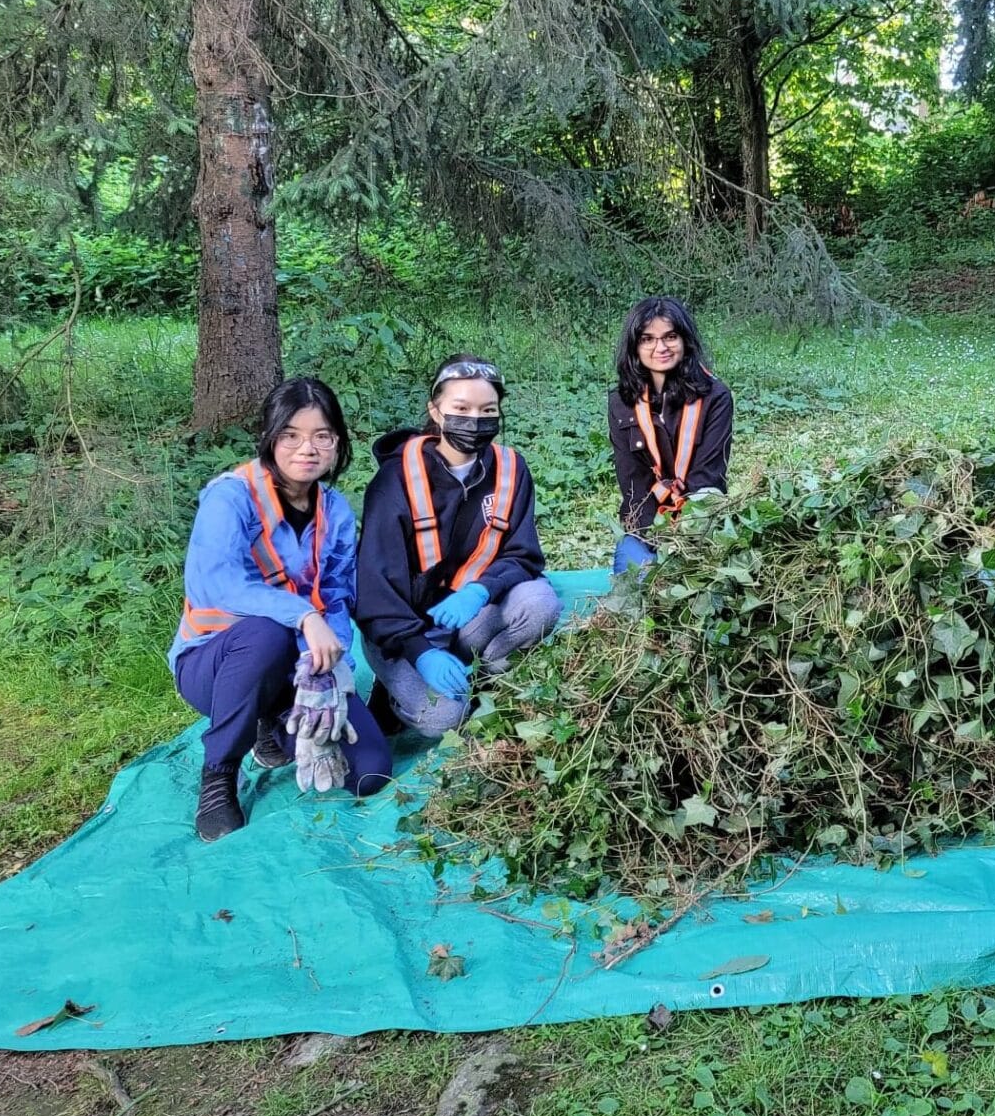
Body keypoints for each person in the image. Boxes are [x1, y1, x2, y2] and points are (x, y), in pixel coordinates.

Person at [170, 377, 392, 842]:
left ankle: (271, 726)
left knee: (370, 772)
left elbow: (336, 594)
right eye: (291, 435)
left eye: (322, 436)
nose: (307, 449)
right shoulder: (231, 497)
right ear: (269, 437)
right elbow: (218, 583)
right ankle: (219, 775)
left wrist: (330, 673)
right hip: (217, 663)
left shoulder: (334, 510)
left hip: (297, 666)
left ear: (337, 443)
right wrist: (302, 616)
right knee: (265, 634)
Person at [356, 355, 562, 736]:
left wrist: (481, 590)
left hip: (469, 614)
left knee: (540, 603)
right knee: (444, 718)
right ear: (435, 410)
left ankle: (484, 679)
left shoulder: (511, 469)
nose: (475, 420)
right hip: (401, 632)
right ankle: (393, 692)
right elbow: (374, 592)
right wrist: (420, 652)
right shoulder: (394, 481)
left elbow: (523, 555)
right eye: (461, 409)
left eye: (488, 410)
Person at [607, 296, 734, 574]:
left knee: (691, 582)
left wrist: (680, 543)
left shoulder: (716, 397)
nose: (660, 348)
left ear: (685, 340)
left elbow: (708, 478)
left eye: (670, 337)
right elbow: (633, 484)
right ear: (635, 346)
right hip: (646, 524)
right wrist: (656, 539)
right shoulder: (621, 401)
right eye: (648, 339)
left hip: (699, 520)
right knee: (639, 580)